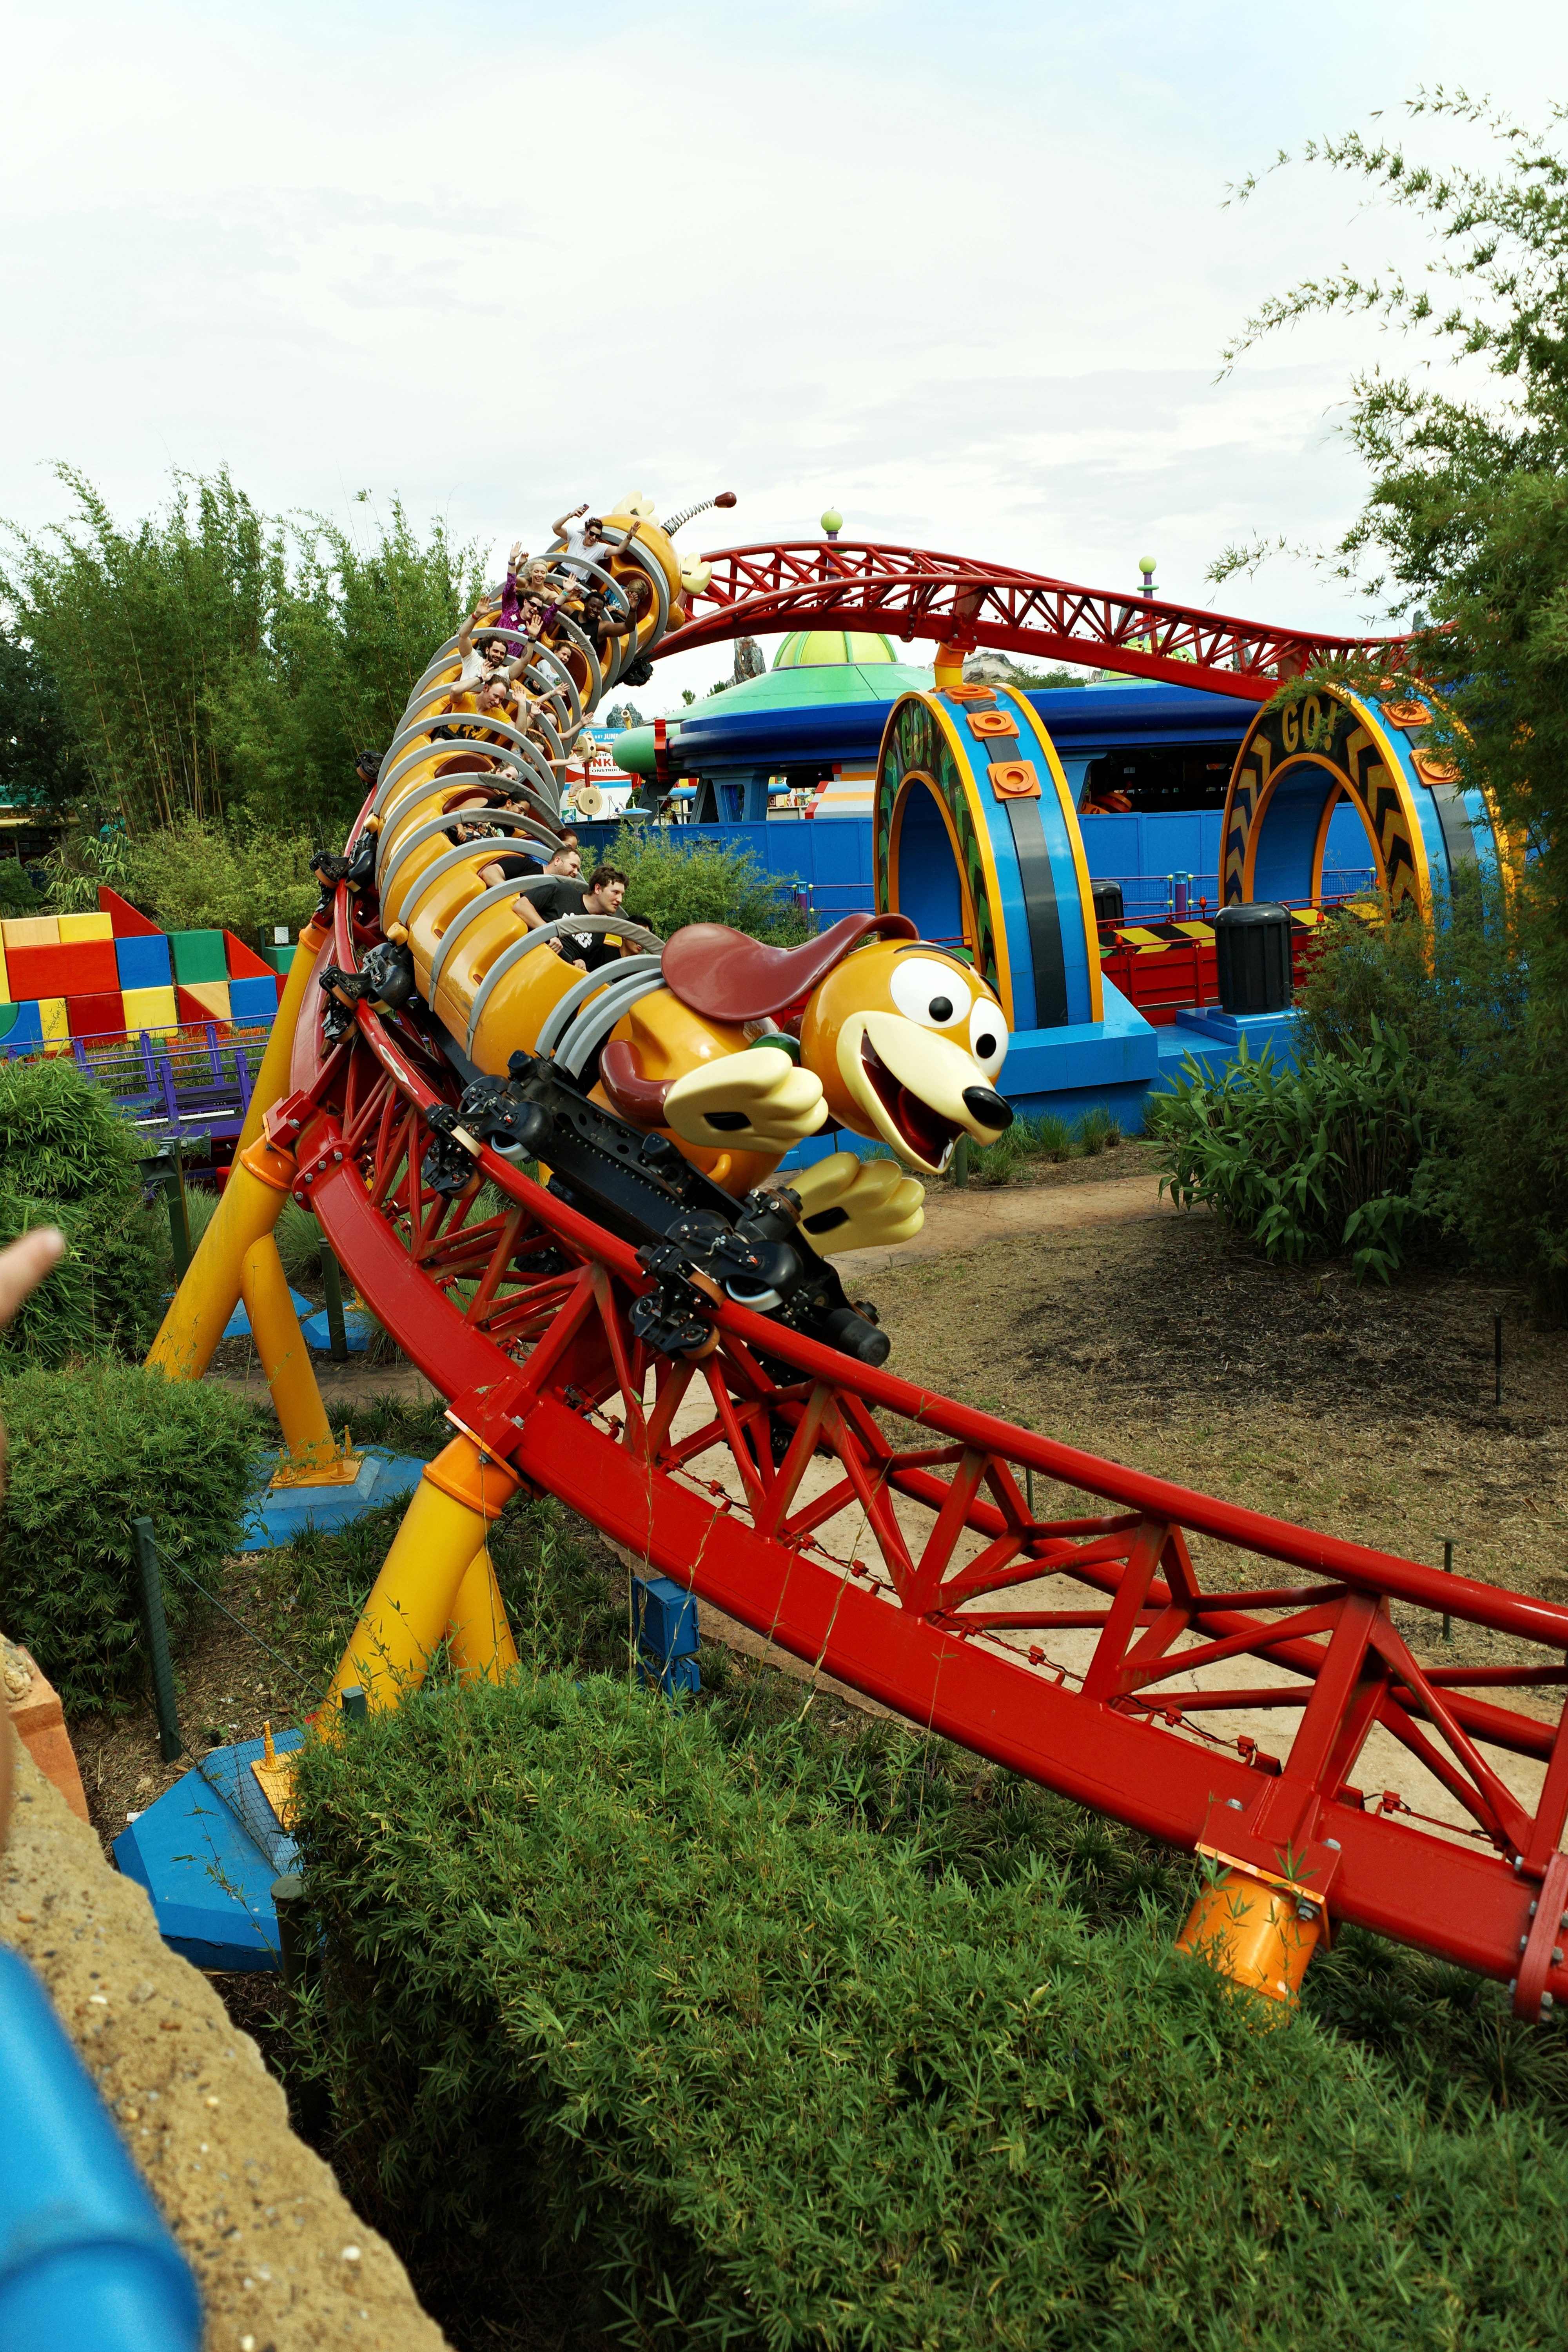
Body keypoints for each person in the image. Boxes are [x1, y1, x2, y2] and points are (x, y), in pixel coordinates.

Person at [550, 504, 644, 581]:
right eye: (592, 533)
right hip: (560, 575)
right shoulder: (576, 537)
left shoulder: (599, 548)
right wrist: (570, 515)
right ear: (586, 531)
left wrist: (629, 536)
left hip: (575, 582)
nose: (594, 538)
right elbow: (556, 528)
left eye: (597, 536)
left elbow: (619, 550)